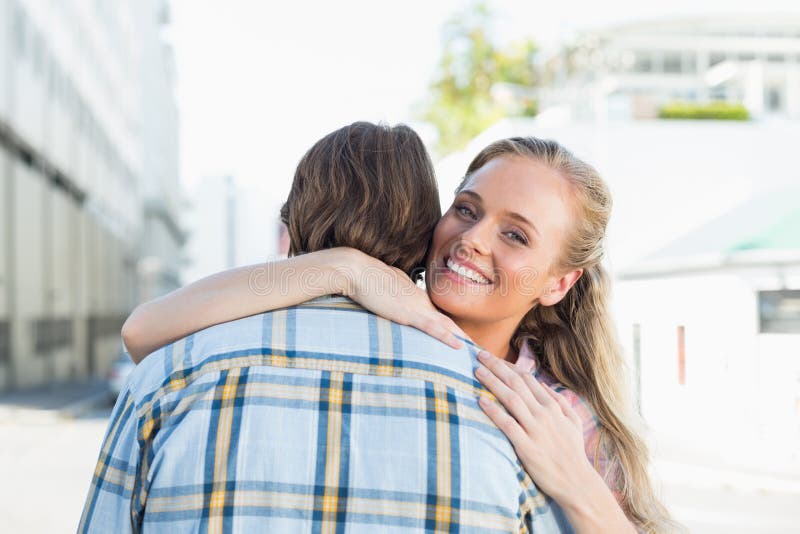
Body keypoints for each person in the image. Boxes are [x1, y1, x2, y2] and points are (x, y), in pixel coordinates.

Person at [120, 135, 680, 533]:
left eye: (514, 234)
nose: (473, 239)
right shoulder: (361, 324)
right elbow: (145, 330)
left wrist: (578, 485)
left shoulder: (557, 415)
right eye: (466, 209)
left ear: (560, 283)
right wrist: (342, 266)